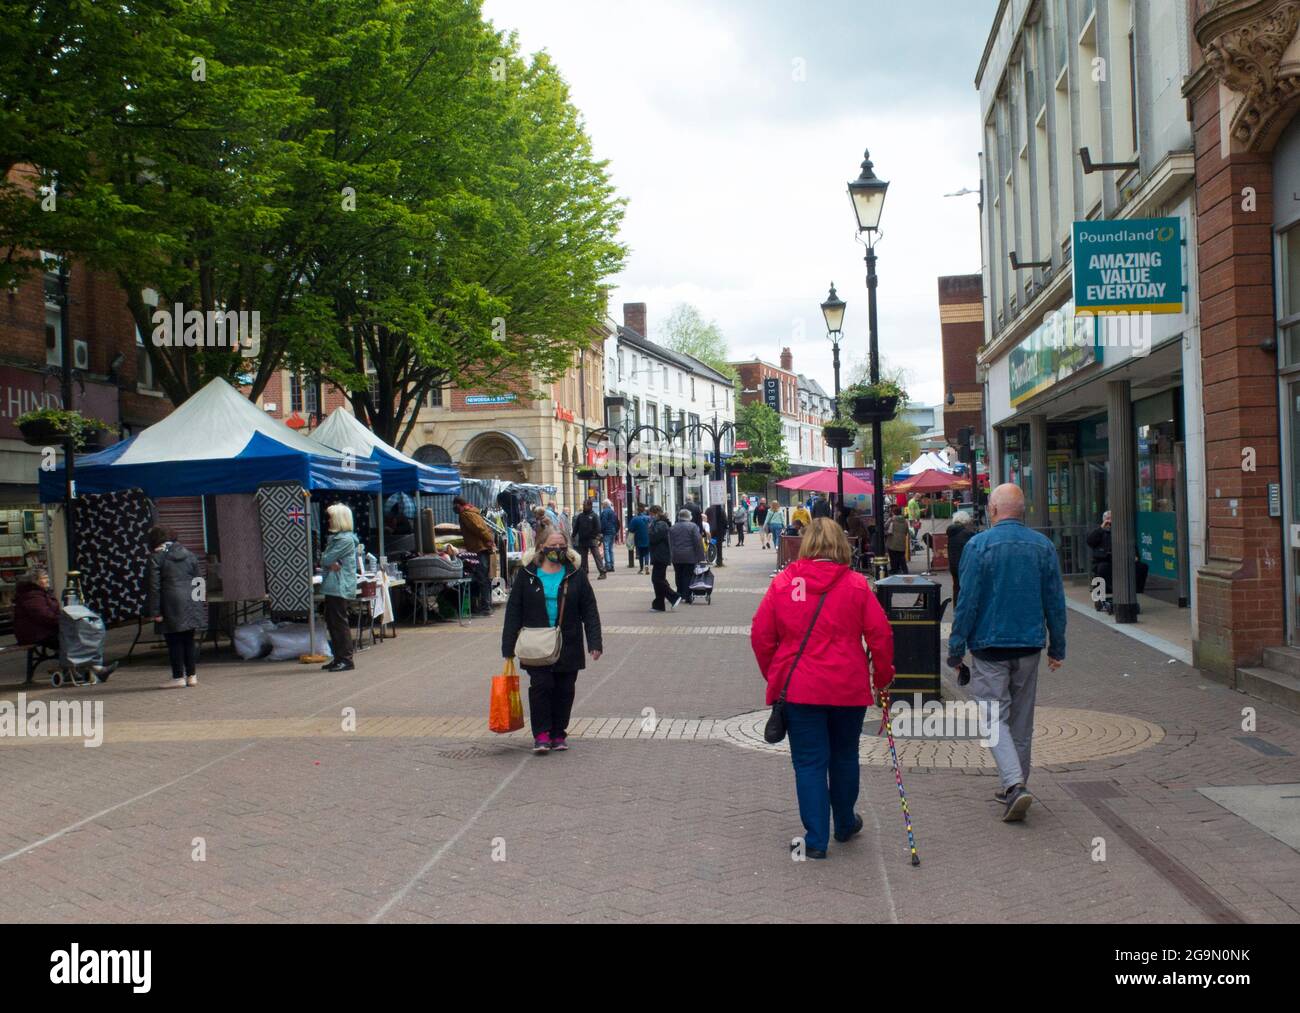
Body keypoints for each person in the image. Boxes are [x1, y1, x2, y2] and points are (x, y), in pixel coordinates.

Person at [750, 518, 895, 860]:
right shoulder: (857, 585)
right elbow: (881, 635)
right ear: (840, 545)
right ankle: (844, 822)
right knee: (845, 756)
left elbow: (761, 634)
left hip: (800, 688)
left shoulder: (785, 583)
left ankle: (816, 839)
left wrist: (775, 672)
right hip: (847, 686)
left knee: (810, 763)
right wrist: (882, 676)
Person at [946, 484, 1067, 823]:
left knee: (993, 719)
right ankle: (1017, 784)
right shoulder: (1043, 547)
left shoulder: (978, 546)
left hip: (989, 646)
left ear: (994, 510)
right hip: (1029, 645)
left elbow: (967, 602)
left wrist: (956, 649)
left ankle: (1014, 784)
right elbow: (1055, 602)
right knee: (1021, 722)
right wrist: (1057, 646)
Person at [502, 526, 603, 754]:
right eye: (552, 546)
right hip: (536, 642)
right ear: (541, 548)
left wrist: (595, 642)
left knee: (565, 688)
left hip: (568, 641)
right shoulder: (527, 575)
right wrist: (508, 647)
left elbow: (589, 609)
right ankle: (542, 734)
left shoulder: (575, 573)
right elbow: (514, 611)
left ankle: (559, 732)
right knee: (542, 686)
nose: (557, 550)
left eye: (561, 546)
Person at [146, 526, 206, 686]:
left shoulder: (156, 557)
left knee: (174, 641)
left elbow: (154, 586)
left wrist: (155, 611)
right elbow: (198, 580)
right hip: (191, 600)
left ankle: (178, 677)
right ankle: (192, 676)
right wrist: (199, 603)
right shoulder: (190, 554)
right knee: (188, 639)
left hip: (169, 602)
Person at [317, 505, 360, 672]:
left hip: (338, 586)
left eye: (330, 518)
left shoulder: (343, 540)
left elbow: (326, 559)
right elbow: (328, 561)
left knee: (338, 623)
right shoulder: (341, 539)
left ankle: (345, 659)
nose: (328, 521)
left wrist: (329, 562)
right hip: (335, 585)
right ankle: (339, 657)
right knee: (333, 622)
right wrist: (329, 563)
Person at [1086, 510, 1149, 611]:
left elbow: (1134, 548)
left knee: (1142, 567)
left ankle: (1134, 590)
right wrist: (1102, 528)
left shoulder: (1124, 532)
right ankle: (1114, 590)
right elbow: (1090, 541)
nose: (1110, 521)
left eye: (1112, 519)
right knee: (1103, 568)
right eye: (1108, 519)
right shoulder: (1099, 532)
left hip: (1123, 563)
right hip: (1105, 562)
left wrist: (1135, 557)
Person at [453, 495, 497, 614]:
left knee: (482, 578)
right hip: (481, 547)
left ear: (459, 505)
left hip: (478, 548)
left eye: (454, 505)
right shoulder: (473, 512)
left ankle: (485, 607)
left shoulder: (466, 514)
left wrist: (489, 539)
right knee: (484, 578)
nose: (453, 508)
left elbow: (478, 529)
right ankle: (485, 605)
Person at [669, 508, 706, 605]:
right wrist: (701, 557)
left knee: (678, 574)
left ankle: (679, 593)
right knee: (688, 575)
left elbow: (670, 542)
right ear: (689, 517)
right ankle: (687, 595)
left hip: (676, 556)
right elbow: (698, 542)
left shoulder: (673, 527)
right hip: (690, 556)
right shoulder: (693, 527)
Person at [646, 505, 678, 611]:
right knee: (658, 580)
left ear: (656, 513)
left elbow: (653, 537)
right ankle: (659, 605)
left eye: (651, 514)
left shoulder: (661, 524)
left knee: (657, 579)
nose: (650, 517)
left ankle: (673, 596)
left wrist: (650, 526)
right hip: (659, 555)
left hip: (661, 556)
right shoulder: (659, 524)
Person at [946, 510, 977, 611]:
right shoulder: (966, 534)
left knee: (956, 589)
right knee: (966, 590)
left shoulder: (952, 532)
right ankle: (963, 611)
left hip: (953, 566)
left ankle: (956, 610)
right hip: (964, 566)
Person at [571, 499, 607, 579]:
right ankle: (584, 573)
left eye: (585, 505)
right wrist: (573, 535)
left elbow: (598, 528)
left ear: (590, 506)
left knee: (597, 556)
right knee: (583, 558)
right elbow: (576, 527)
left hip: (592, 540)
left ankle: (602, 572)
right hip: (582, 540)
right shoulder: (580, 516)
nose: (584, 506)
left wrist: (593, 536)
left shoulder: (594, 516)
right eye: (583, 505)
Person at [627, 504, 652, 574]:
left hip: (638, 538)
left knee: (640, 554)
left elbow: (631, 529)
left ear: (638, 510)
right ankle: (647, 565)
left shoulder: (635, 519)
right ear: (644, 510)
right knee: (647, 552)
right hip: (647, 537)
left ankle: (641, 568)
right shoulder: (648, 518)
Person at [885, 504, 909, 574]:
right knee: (901, 557)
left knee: (893, 557)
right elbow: (906, 531)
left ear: (893, 512)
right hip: (902, 541)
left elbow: (885, 526)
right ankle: (904, 570)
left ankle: (894, 569)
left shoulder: (891, 519)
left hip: (892, 542)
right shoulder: (905, 521)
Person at [600, 499, 620, 572]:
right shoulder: (613, 512)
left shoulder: (604, 512)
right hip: (612, 532)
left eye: (602, 505)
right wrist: (616, 531)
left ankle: (608, 565)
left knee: (606, 549)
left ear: (605, 505)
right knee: (611, 549)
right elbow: (618, 523)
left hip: (607, 532)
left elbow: (603, 523)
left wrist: (601, 531)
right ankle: (612, 565)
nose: (602, 506)